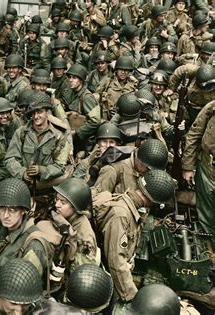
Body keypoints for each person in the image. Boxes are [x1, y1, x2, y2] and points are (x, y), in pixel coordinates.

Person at [94, 169, 175, 301]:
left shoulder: (135, 207)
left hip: (120, 274)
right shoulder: (121, 215)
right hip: (111, 279)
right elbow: (116, 261)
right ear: (152, 201)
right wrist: (132, 296)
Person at [5, 92, 71, 217]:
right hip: (23, 187)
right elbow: (10, 159)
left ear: (47, 112)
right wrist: (22, 173)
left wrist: (42, 170)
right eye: (33, 113)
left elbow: (60, 166)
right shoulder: (21, 133)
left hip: (47, 189)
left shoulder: (59, 135)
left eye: (39, 112)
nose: (36, 116)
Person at [182, 100, 215, 248]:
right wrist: (188, 166)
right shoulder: (211, 108)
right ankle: (208, 249)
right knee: (206, 212)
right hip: (208, 168)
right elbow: (194, 135)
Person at [54, 178, 99, 271]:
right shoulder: (65, 217)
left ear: (75, 207)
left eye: (63, 202)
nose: (57, 205)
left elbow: (82, 273)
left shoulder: (85, 237)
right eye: (57, 199)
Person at [94, 138, 169, 194]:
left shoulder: (147, 172)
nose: (148, 171)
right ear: (139, 160)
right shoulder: (112, 171)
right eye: (147, 168)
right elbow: (99, 203)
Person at [60, 63, 101, 152]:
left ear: (81, 80)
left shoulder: (87, 97)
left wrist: (77, 132)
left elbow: (95, 122)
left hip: (83, 141)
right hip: (71, 134)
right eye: (69, 77)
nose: (71, 80)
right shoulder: (70, 92)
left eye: (74, 78)